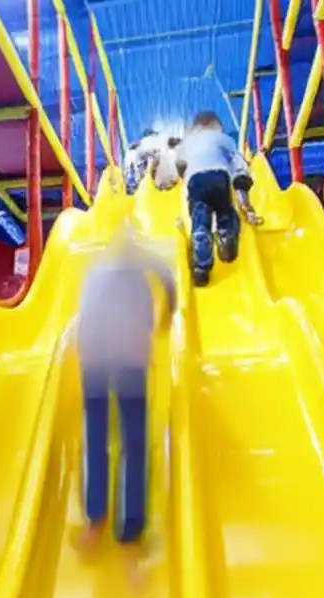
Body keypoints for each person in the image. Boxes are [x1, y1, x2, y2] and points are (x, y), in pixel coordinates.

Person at [76, 224, 175, 544]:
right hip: (129, 361)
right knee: (134, 444)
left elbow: (86, 318)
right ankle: (130, 527)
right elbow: (169, 280)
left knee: (96, 438)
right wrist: (166, 317)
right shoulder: (142, 269)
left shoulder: (96, 272)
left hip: (96, 359)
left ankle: (96, 520)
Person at [177, 111, 250, 286]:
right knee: (225, 209)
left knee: (199, 214)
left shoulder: (189, 143)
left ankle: (201, 266)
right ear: (216, 126)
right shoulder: (222, 138)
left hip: (196, 181)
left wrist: (182, 175)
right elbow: (236, 158)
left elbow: (179, 162)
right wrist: (241, 175)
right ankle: (226, 234)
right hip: (219, 176)